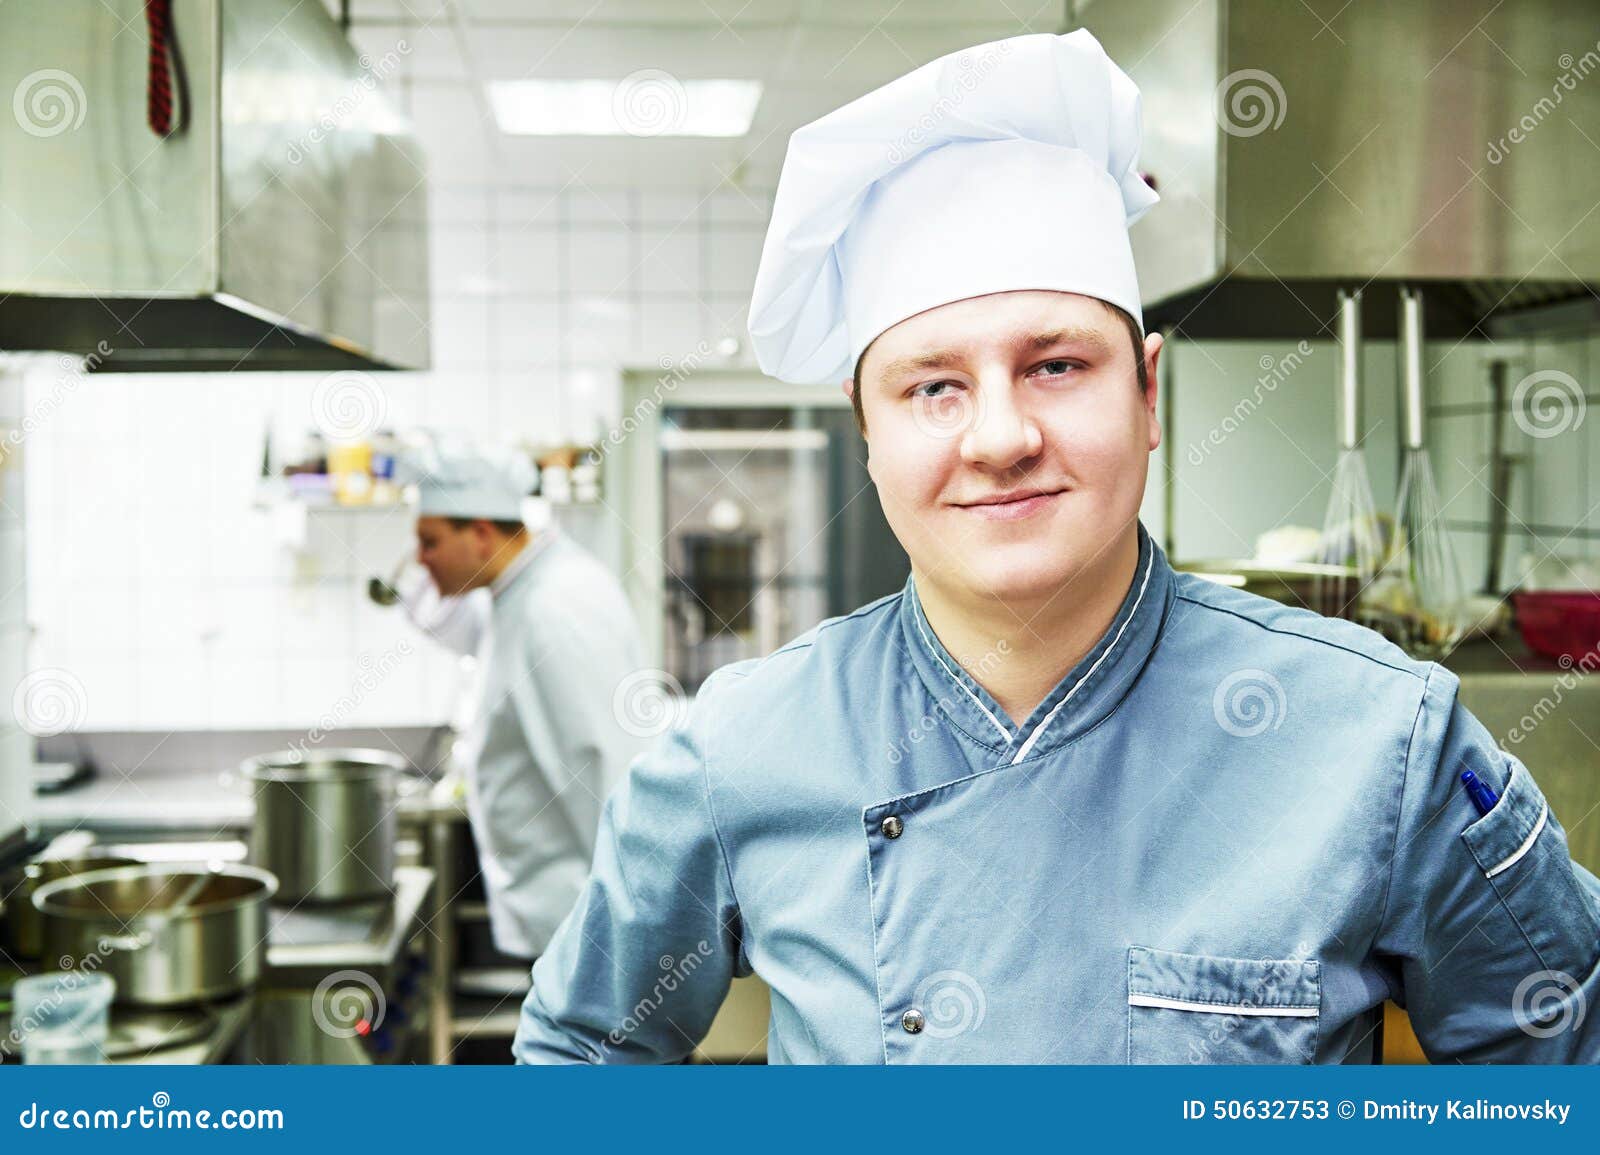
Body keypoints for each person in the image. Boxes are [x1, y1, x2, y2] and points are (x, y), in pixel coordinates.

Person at [513, 31, 1600, 1063]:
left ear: (1149, 392)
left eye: (1055, 367)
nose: (998, 438)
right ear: (869, 437)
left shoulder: (1380, 742)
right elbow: (578, 1049)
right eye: (933, 387)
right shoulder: (740, 750)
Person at [409, 443, 650, 962]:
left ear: (479, 534)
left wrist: (635, 930)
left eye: (429, 542)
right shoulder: (517, 592)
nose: (420, 559)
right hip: (567, 922)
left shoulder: (553, 608)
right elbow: (428, 612)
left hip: (596, 934)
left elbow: (603, 766)